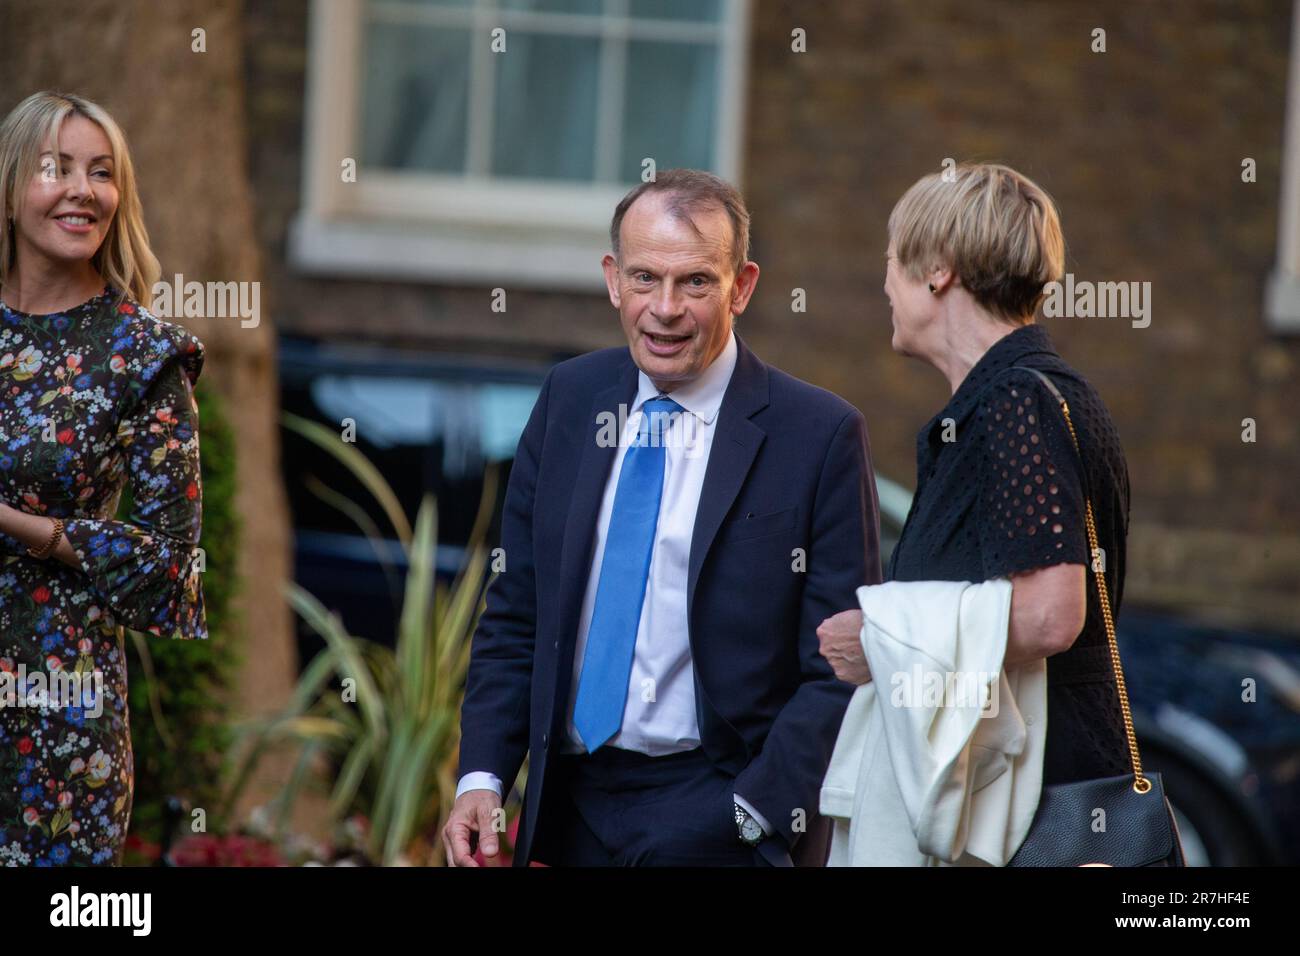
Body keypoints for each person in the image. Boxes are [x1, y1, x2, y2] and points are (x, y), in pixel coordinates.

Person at [443, 169, 881, 867]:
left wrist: (752, 815)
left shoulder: (819, 434)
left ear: (741, 286)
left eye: (696, 283)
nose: (666, 308)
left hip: (717, 814)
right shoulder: (569, 398)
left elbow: (838, 664)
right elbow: (517, 610)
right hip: (571, 811)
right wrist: (483, 777)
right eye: (645, 279)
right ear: (613, 279)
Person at [817, 163, 1134, 797]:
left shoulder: (1017, 401)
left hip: (1038, 801)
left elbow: (1050, 617)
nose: (884, 284)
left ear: (937, 270)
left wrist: (883, 640)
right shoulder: (1027, 393)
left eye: (891, 260)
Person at [0, 91, 206, 867]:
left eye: (103, 172)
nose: (84, 189)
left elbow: (172, 571)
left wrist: (23, 526)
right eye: (58, 168)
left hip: (56, 726)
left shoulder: (145, 357)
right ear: (11, 184)